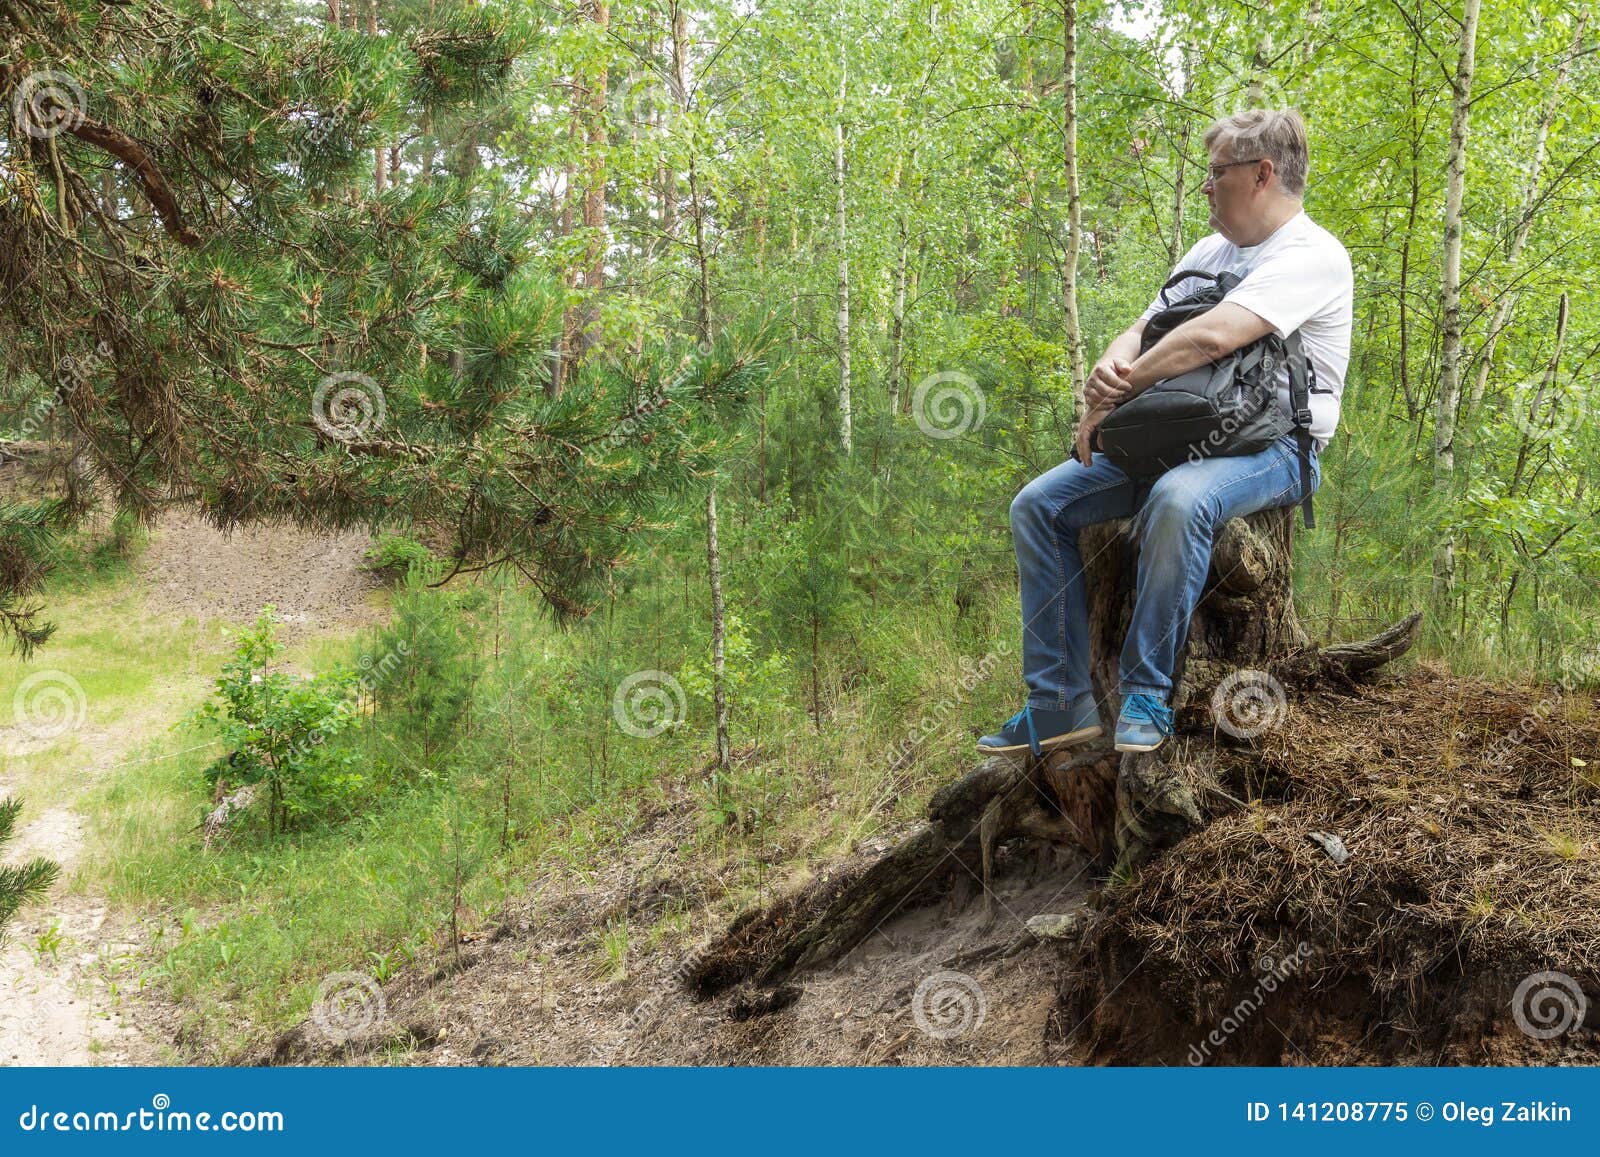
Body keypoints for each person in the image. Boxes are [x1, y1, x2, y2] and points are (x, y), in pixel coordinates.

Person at [978, 108, 1353, 758]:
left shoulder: (1314, 255)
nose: (1207, 186)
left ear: (1262, 175)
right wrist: (1108, 369)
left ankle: (1146, 694)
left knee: (1179, 500)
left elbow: (1213, 335)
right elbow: (1147, 325)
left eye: (1218, 173)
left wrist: (1118, 393)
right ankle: (1057, 705)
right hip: (1178, 436)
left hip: (1278, 449)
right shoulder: (1209, 250)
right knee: (1039, 506)